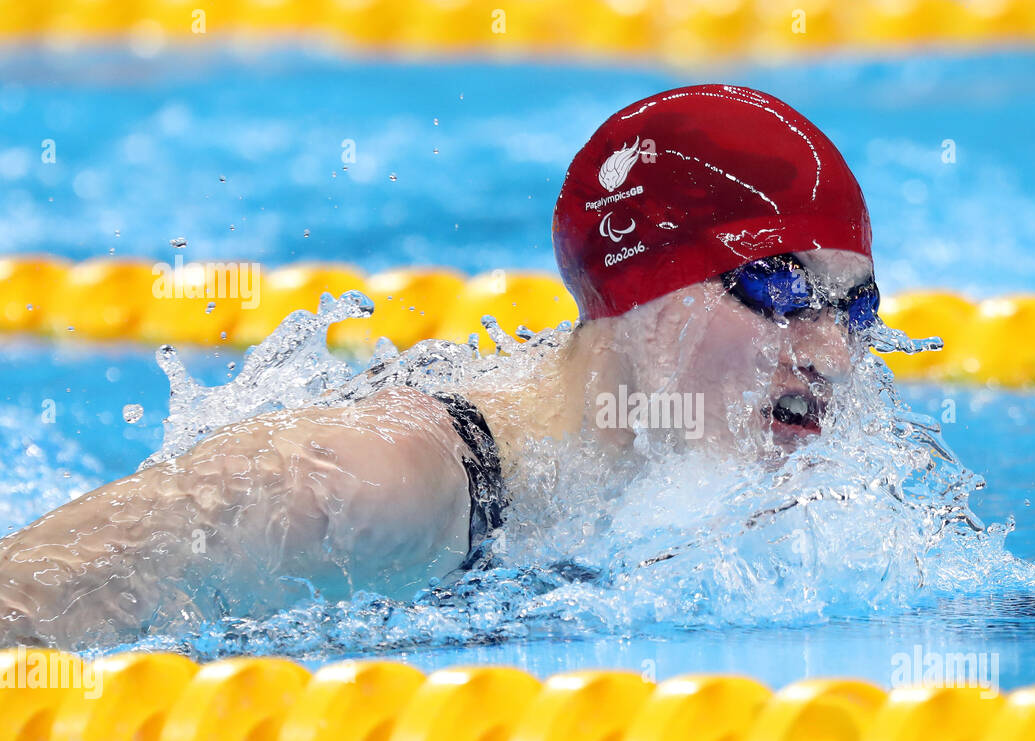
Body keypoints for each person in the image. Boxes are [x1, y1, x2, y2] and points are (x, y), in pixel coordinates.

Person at [0, 84, 880, 648]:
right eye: (775, 286)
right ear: (634, 288)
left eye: (856, 306)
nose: (831, 353)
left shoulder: (755, 487)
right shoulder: (381, 481)